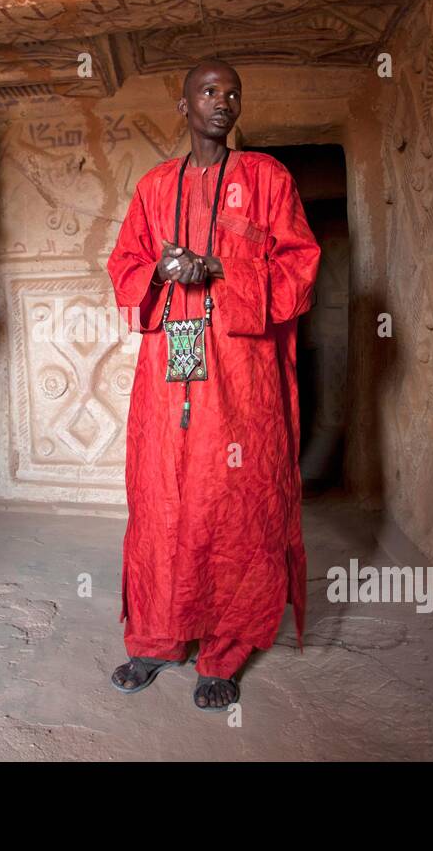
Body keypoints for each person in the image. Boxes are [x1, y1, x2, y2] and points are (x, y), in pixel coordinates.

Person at [105, 59, 322, 711]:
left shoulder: (266, 179)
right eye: (208, 92)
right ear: (184, 105)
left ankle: (223, 654)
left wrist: (220, 267)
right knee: (163, 502)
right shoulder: (153, 187)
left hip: (239, 376)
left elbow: (300, 268)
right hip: (169, 377)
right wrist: (164, 271)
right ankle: (155, 640)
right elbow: (124, 264)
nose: (222, 102)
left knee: (235, 506)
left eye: (232, 94)